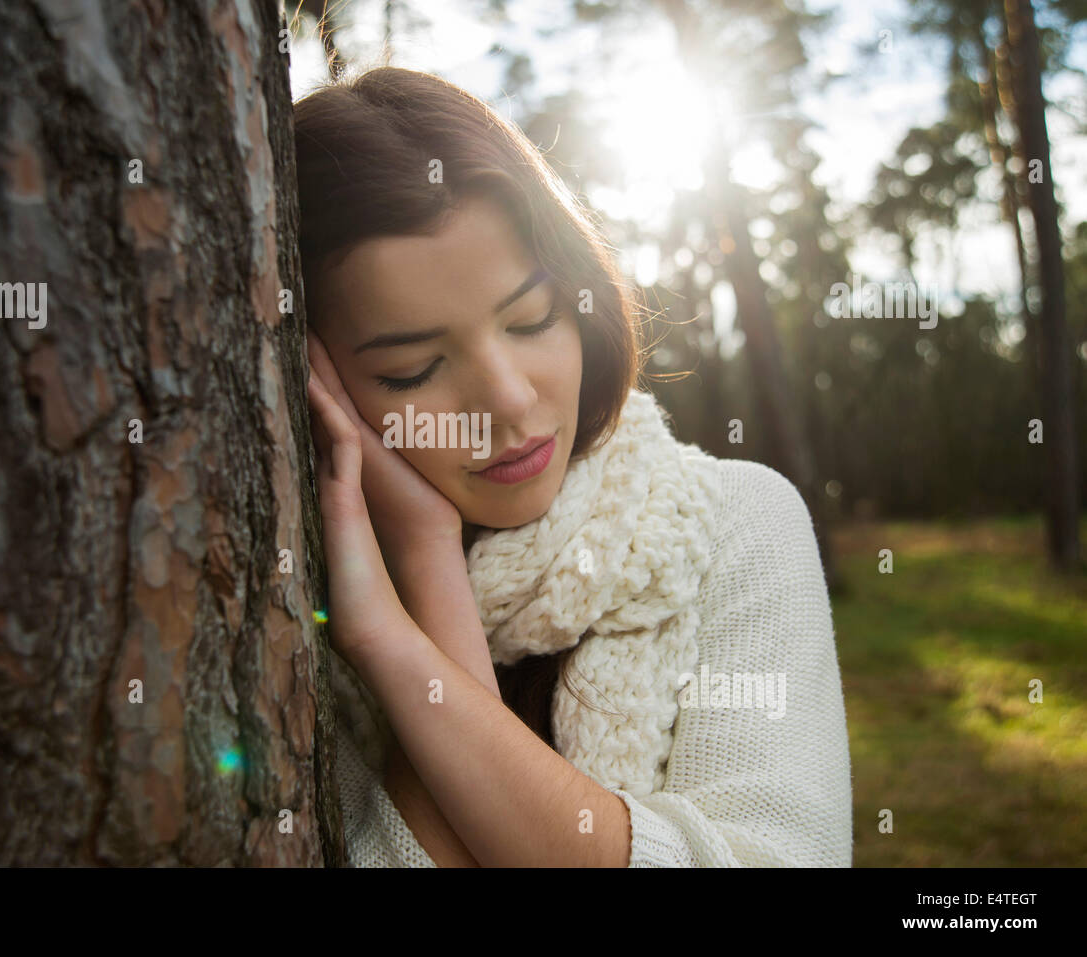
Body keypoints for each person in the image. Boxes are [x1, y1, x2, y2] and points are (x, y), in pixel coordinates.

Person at [294, 66, 853, 867]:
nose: (511, 399)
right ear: (321, 391)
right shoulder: (296, 618)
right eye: (414, 370)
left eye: (532, 320)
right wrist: (416, 578)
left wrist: (404, 621)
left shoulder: (736, 524)